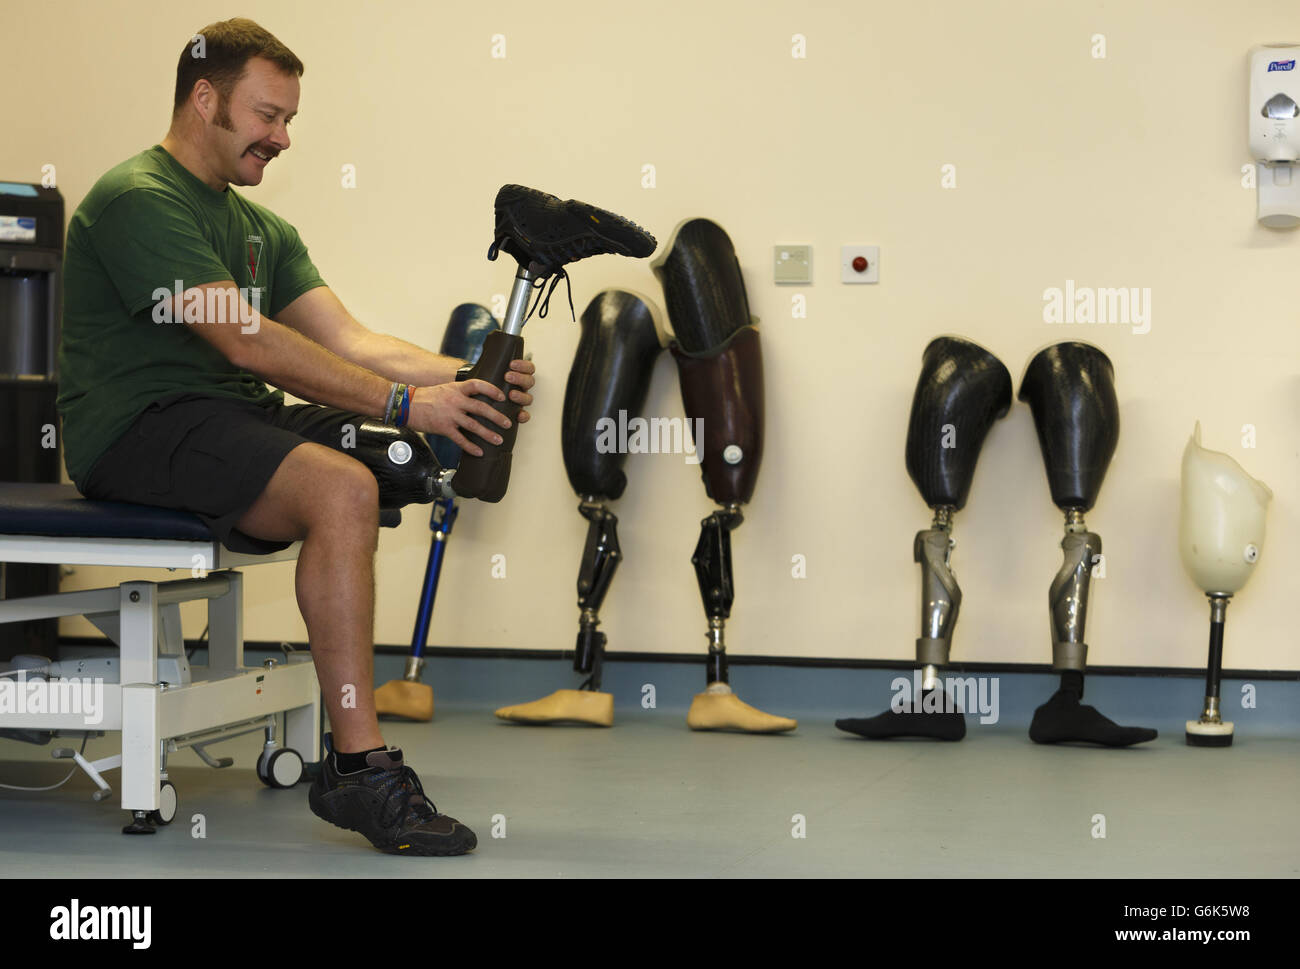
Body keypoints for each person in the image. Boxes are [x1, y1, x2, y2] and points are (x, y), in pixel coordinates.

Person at [57, 17, 535, 856]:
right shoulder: (138, 198)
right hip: (140, 428)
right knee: (341, 483)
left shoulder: (258, 230)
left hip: (227, 415)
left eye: (290, 121)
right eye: (268, 115)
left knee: (395, 461)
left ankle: (348, 738)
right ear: (204, 98)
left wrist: (461, 382)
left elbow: (348, 341)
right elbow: (245, 338)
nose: (282, 138)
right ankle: (357, 767)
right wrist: (404, 401)